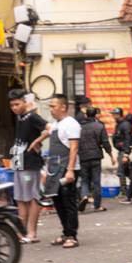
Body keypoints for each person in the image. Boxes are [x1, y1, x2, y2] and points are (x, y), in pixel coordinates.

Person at [32, 92, 82, 248]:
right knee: (58, 202)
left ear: (63, 107)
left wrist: (70, 171)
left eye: (53, 107)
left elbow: (74, 149)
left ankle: (72, 236)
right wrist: (37, 141)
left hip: (68, 168)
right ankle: (65, 232)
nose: (51, 110)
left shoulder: (71, 124)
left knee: (68, 203)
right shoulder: (56, 124)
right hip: (54, 168)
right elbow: (48, 133)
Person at [8, 88, 47, 243]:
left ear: (25, 102)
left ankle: (32, 233)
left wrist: (37, 142)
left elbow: (49, 128)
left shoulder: (32, 117)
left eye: (17, 104)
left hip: (31, 163)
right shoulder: (21, 117)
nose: (14, 108)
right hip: (19, 161)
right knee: (20, 199)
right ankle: (21, 232)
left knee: (32, 198)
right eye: (11, 105)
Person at [77, 105, 113, 212]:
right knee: (96, 181)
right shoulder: (99, 126)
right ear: (95, 114)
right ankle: (97, 206)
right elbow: (105, 142)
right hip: (96, 157)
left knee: (84, 180)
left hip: (83, 157)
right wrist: (111, 155)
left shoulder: (79, 127)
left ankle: (84, 196)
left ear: (86, 114)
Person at [112, 107, 132, 201]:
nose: (113, 116)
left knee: (121, 172)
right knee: (126, 171)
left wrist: (126, 153)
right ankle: (131, 190)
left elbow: (127, 139)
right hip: (122, 150)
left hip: (125, 151)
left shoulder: (124, 125)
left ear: (119, 114)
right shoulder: (120, 124)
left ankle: (124, 192)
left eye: (114, 114)